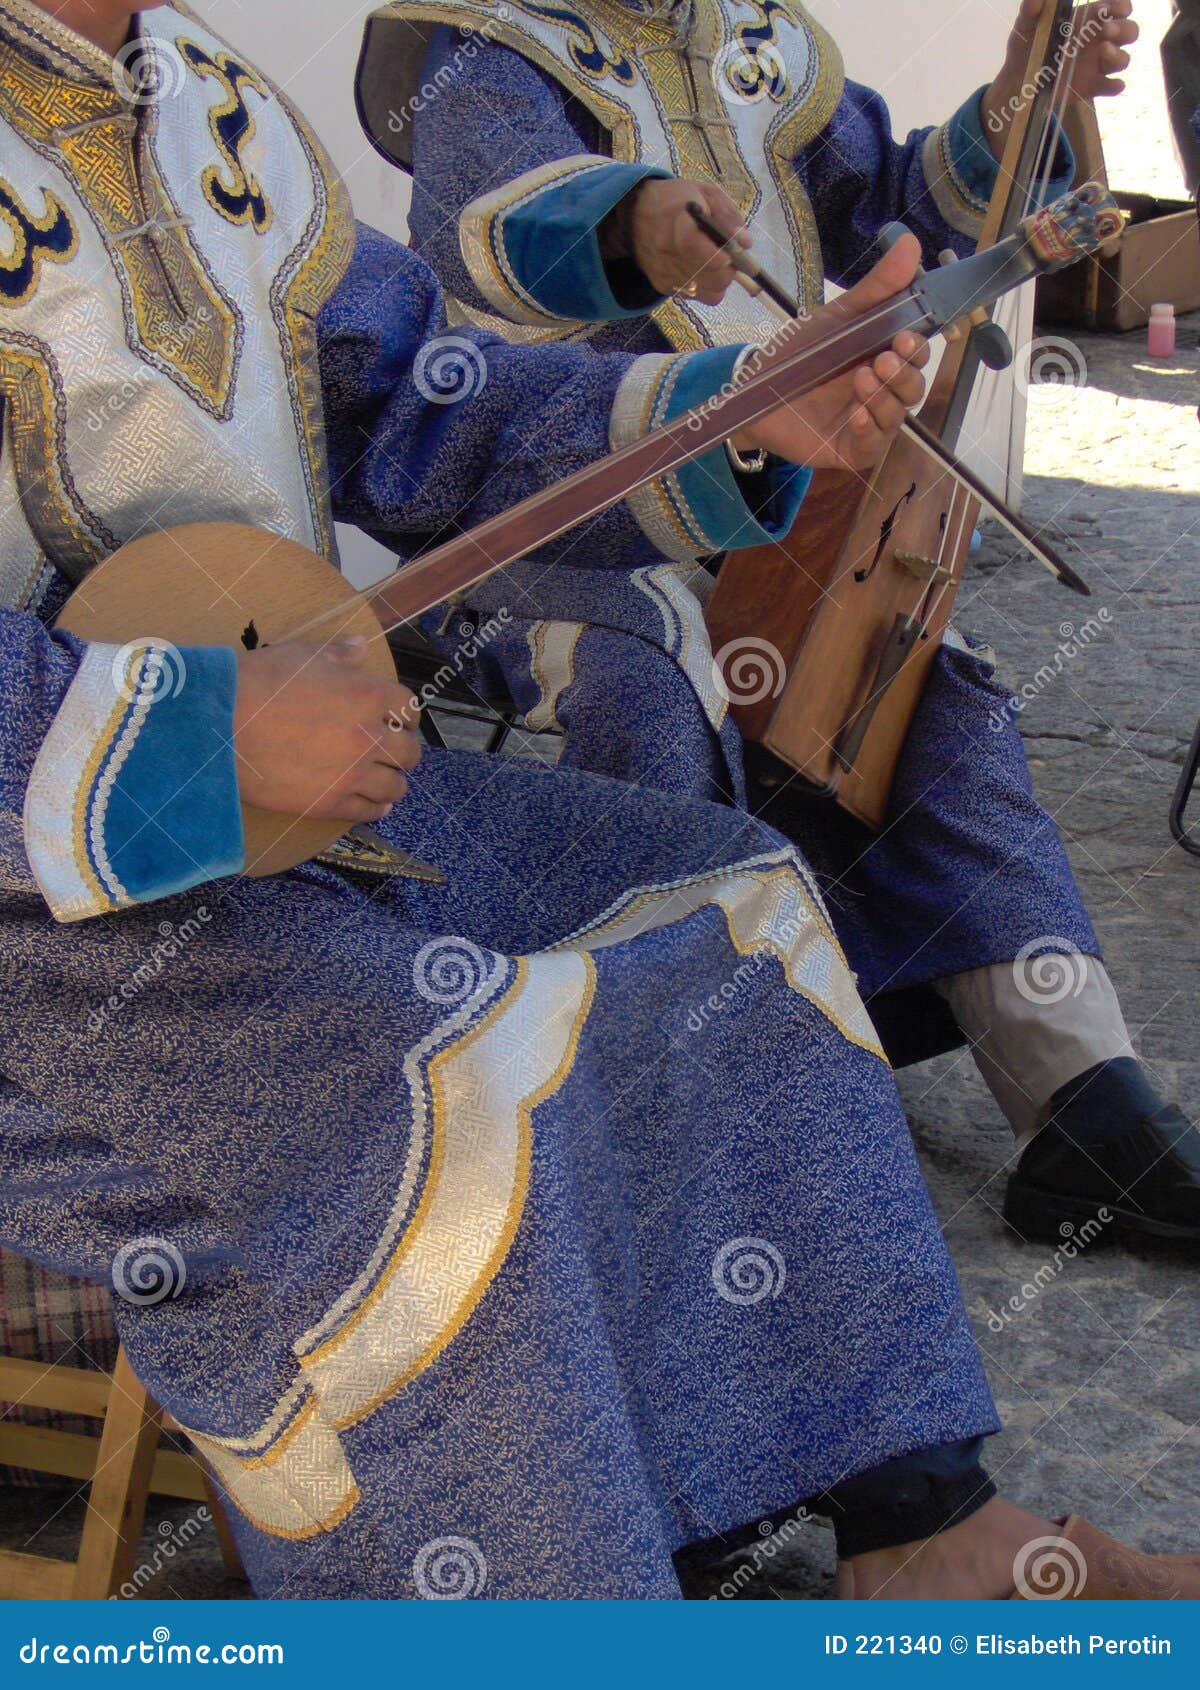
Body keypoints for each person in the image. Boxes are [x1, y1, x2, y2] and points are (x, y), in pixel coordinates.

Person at [3, 0, 1196, 1605]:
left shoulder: (215, 103)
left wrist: (733, 401)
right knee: (456, 1070)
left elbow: (430, 403)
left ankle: (928, 1528)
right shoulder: (500, 55)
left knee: (738, 905)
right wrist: (175, 735)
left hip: (277, 808)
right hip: (46, 907)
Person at [359, 0, 1200, 1253]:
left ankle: (1083, 1094)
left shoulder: (759, 37)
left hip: (777, 480)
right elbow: (486, 234)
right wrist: (635, 222)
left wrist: (1024, 97)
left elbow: (895, 208)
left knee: (929, 683)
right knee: (648, 678)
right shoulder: (488, 44)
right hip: (554, 500)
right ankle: (709, 1128)